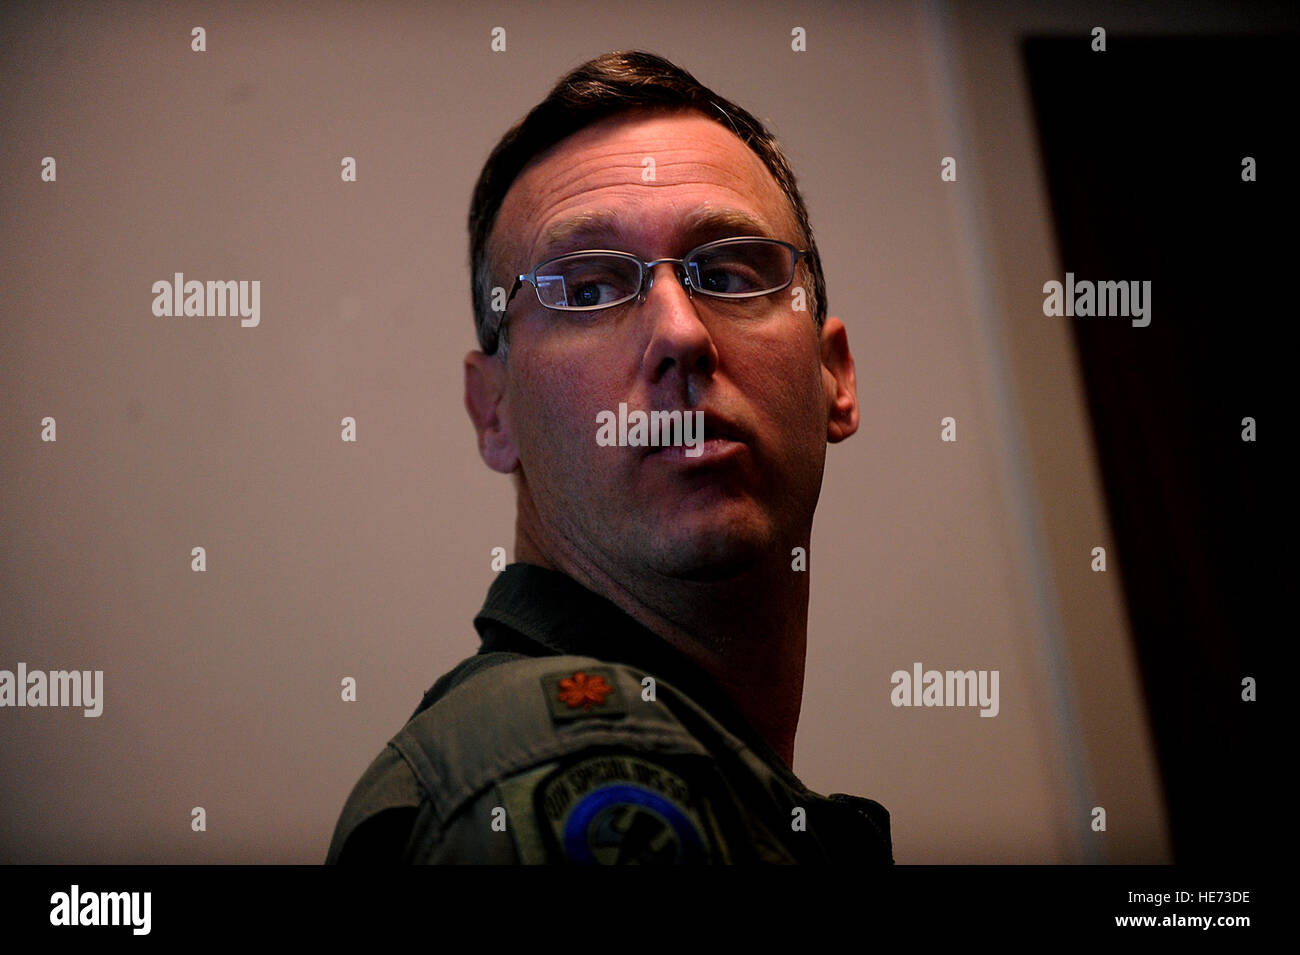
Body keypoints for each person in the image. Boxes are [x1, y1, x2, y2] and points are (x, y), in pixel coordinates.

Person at [326, 50, 892, 864]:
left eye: (730, 272)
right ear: (493, 410)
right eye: (586, 290)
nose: (681, 333)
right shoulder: (571, 765)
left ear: (834, 377)